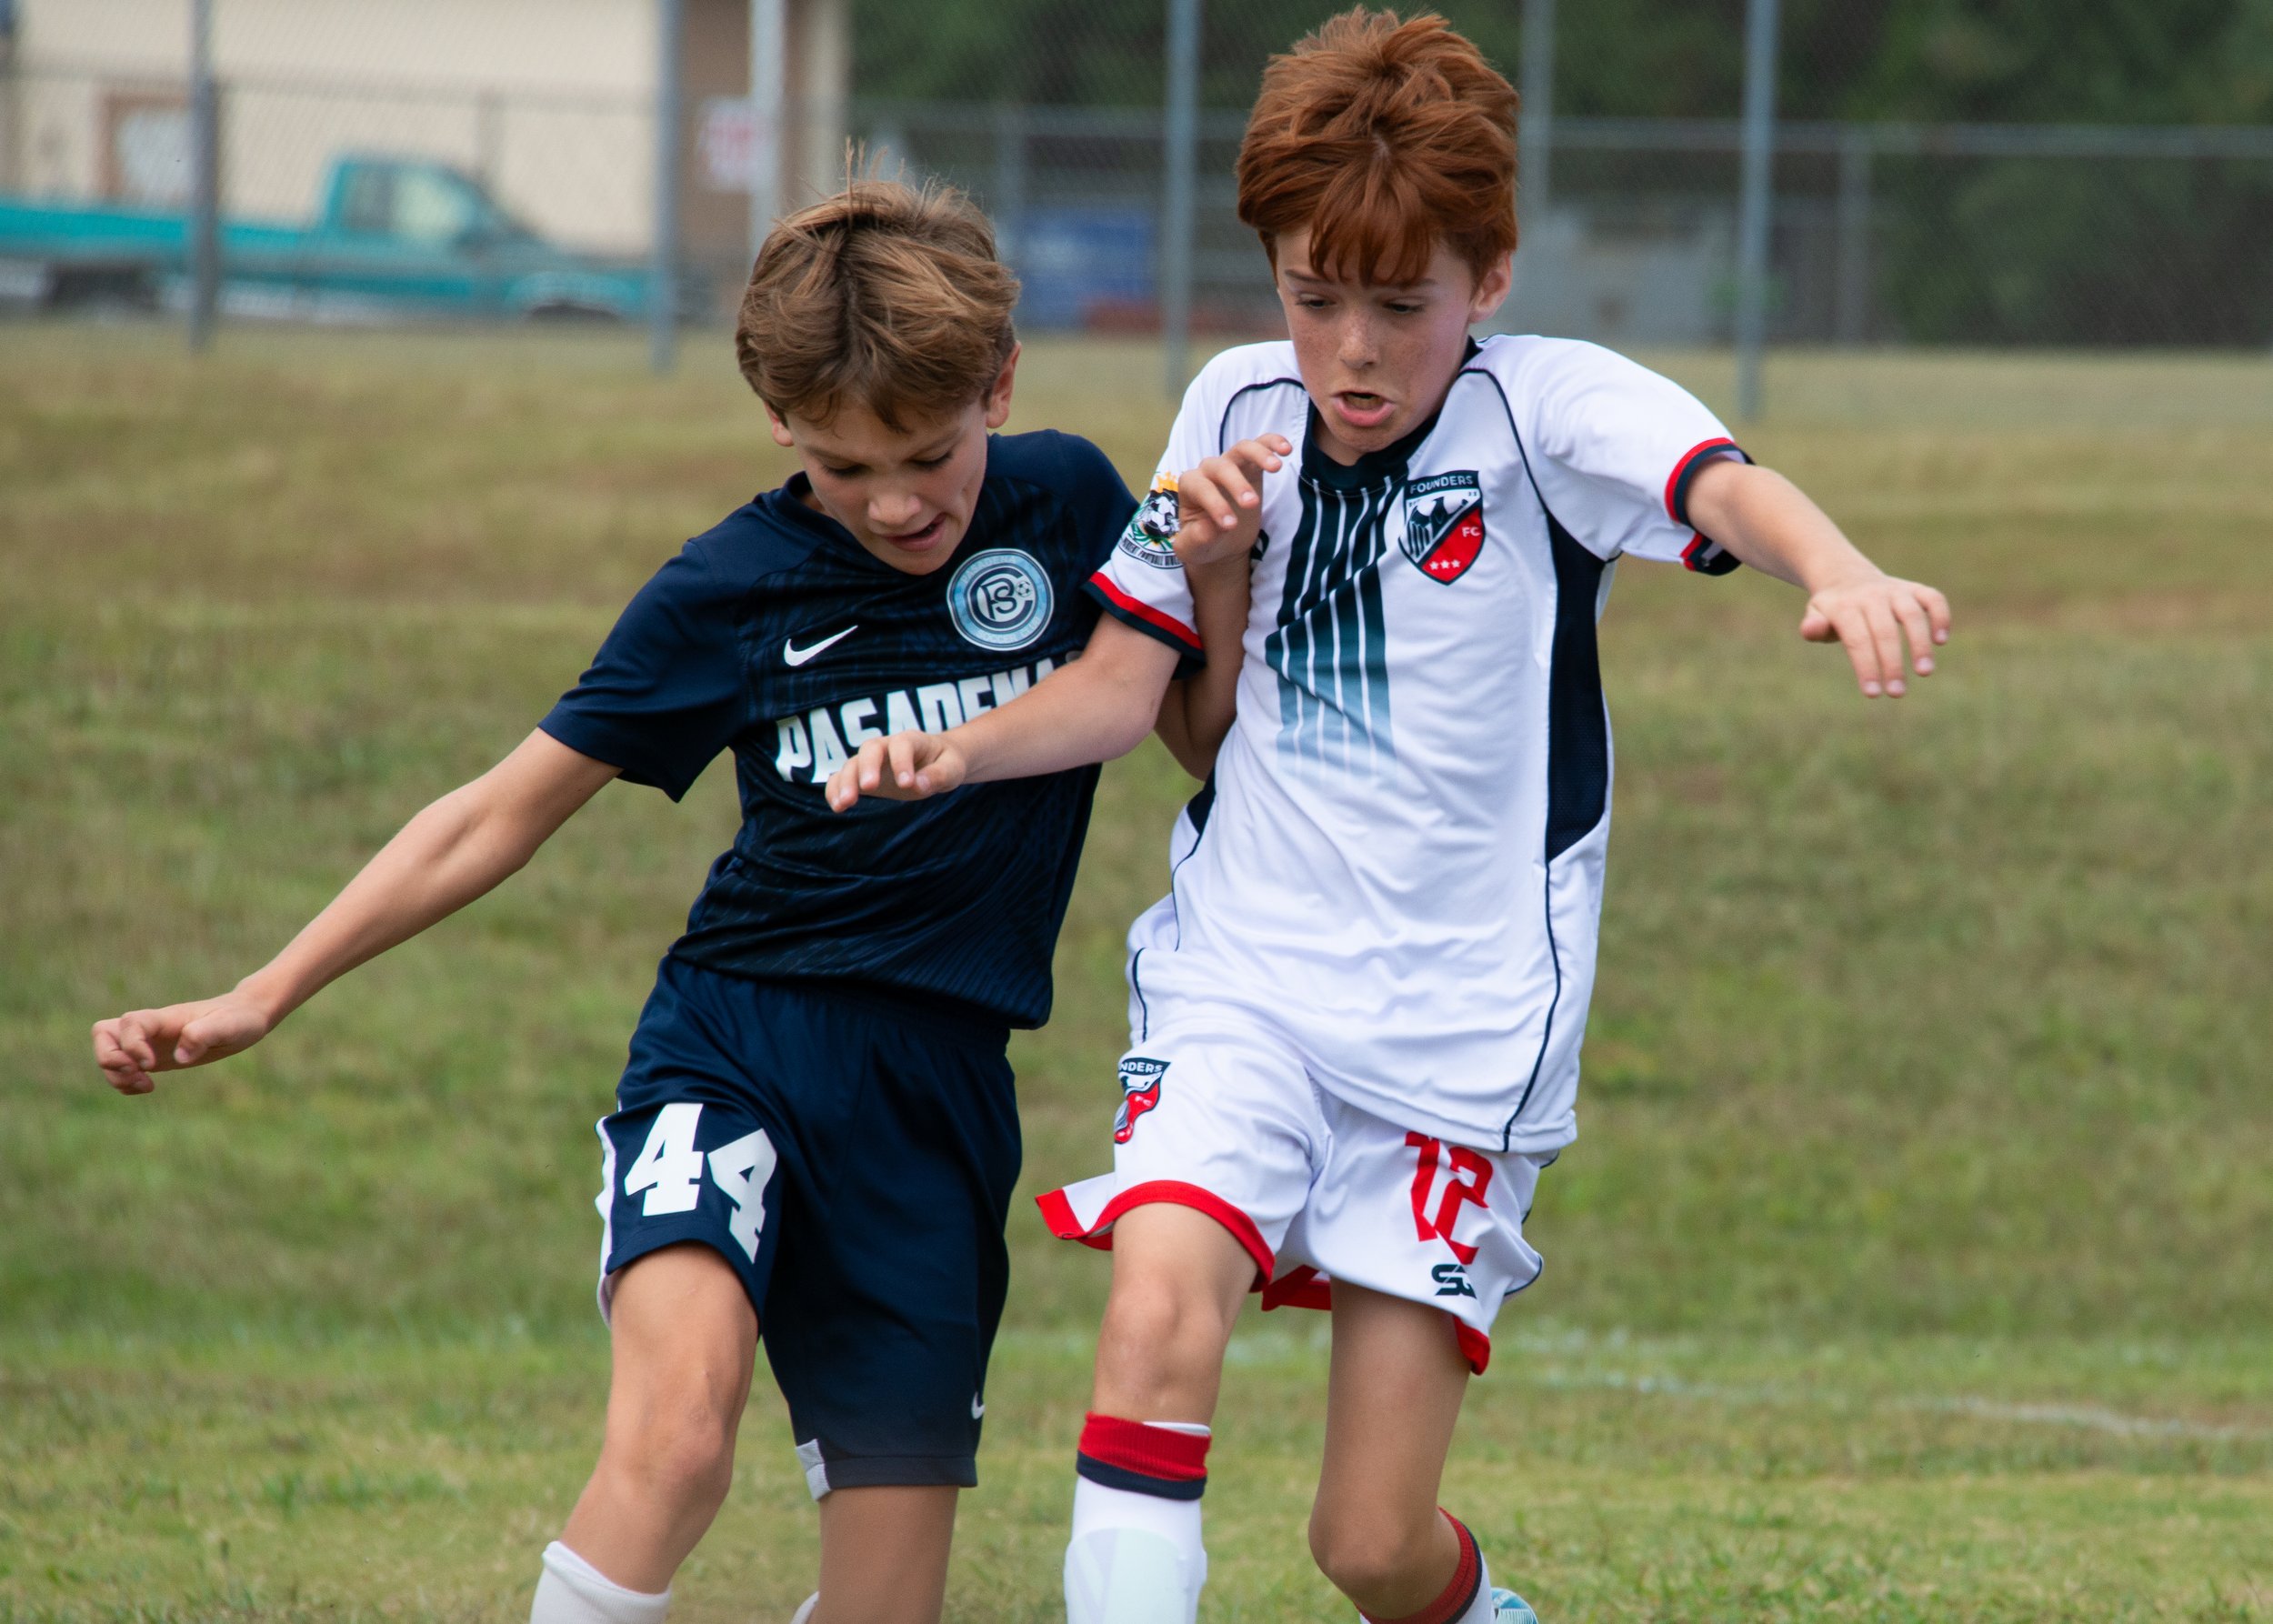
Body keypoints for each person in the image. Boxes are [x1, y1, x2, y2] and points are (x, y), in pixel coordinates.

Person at [825, 13, 1954, 1624]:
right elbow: (1144, 709)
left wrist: (1837, 569)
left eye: (1399, 304)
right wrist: (958, 741)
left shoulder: (1546, 414)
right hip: (1249, 982)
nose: (1350, 348)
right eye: (1310, 296)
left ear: (1486, 279)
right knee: (1156, 1309)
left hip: (1458, 1040)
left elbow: (1721, 483)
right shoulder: (1230, 409)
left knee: (1369, 1543)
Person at [89, 179, 1247, 1624]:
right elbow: (496, 814)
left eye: (927, 456)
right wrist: (262, 990)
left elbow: (1190, 726)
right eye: (842, 465)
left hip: (938, 1100)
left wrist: (1222, 575)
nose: (893, 500)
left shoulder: (1072, 498)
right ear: (777, 418)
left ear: (998, 386)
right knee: (678, 1433)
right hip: (737, 1049)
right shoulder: (731, 586)